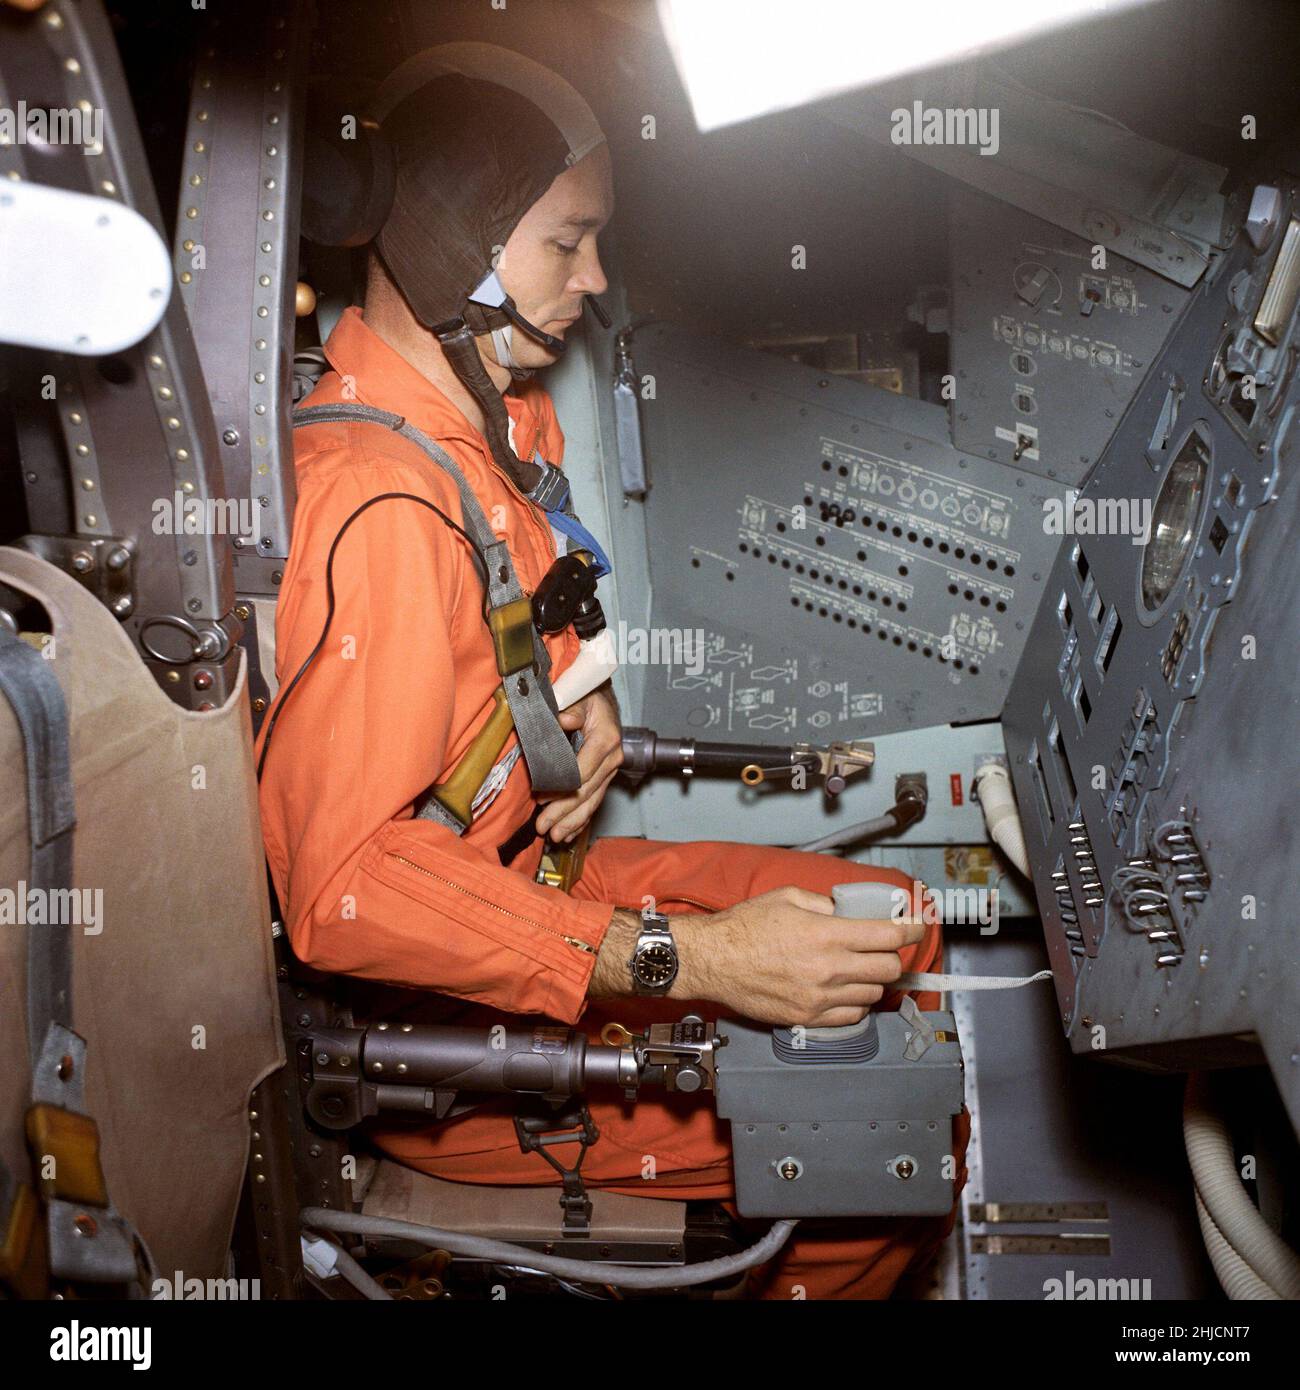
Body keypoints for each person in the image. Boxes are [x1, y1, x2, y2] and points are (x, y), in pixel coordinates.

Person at [257, 41, 968, 1299]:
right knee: (904, 1126)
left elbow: (548, 572)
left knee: (900, 924)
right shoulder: (378, 510)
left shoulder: (488, 422)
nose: (590, 277)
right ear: (445, 246)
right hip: (433, 1015)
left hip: (547, 870)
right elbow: (349, 889)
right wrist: (689, 965)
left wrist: (582, 713)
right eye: (563, 242)